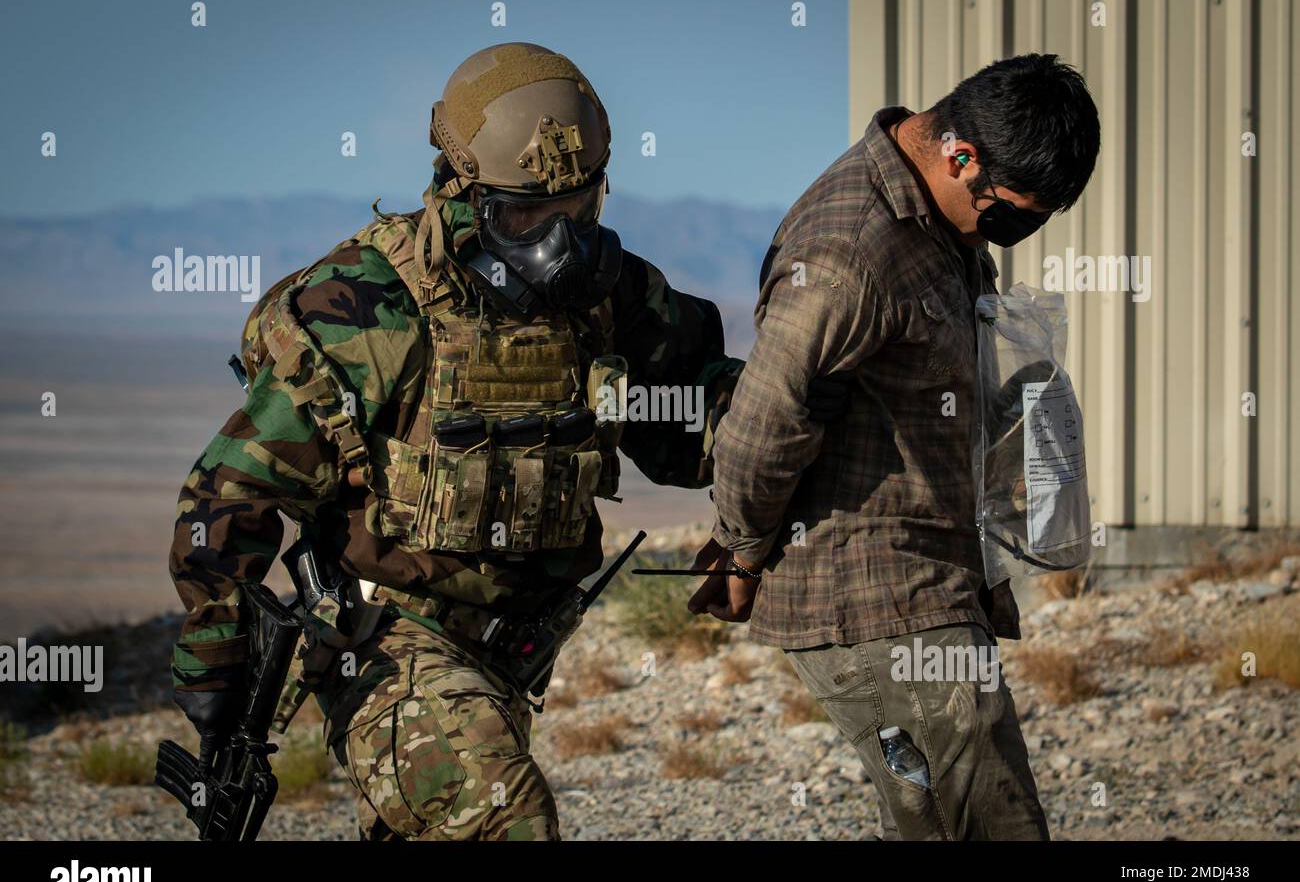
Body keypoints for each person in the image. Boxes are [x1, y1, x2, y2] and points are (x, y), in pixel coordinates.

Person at [165, 43, 755, 841]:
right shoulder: (366, 310)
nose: (557, 244)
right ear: (462, 189)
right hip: (384, 647)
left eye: (578, 211)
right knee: (504, 818)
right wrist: (217, 677)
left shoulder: (611, 299)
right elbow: (227, 495)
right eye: (523, 217)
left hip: (514, 655)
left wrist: (783, 432)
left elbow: (693, 431)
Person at [690, 53, 1101, 840]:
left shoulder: (938, 214)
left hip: (931, 576)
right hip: (875, 590)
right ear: (959, 155)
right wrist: (743, 555)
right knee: (994, 825)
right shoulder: (851, 249)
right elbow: (761, 423)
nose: (1011, 234)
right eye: (1014, 216)